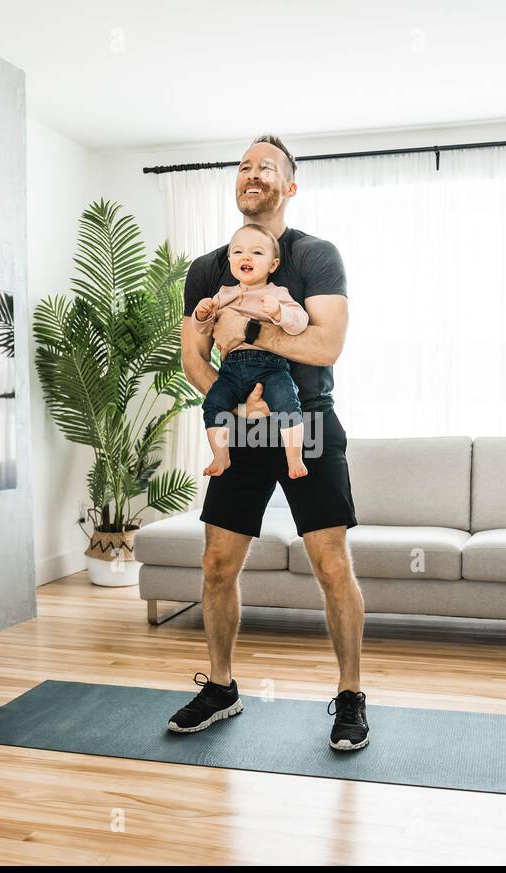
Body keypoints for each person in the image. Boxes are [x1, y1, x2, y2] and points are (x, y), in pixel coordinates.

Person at [168, 134, 370, 750]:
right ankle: (223, 687)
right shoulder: (207, 269)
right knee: (216, 564)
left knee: (331, 565)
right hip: (239, 430)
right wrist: (234, 401)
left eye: (266, 168)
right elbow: (193, 360)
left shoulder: (316, 257)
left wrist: (252, 330)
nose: (251, 175)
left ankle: (350, 695)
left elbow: (324, 346)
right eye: (243, 168)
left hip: (306, 421)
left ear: (289, 186)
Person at [192, 222, 310, 480]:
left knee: (287, 403)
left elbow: (299, 321)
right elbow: (203, 329)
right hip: (231, 369)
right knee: (213, 404)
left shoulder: (278, 293)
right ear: (231, 259)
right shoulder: (223, 295)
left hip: (270, 366)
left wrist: (280, 313)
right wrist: (202, 314)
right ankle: (221, 455)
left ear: (273, 265)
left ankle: (294, 457)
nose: (246, 256)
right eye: (238, 252)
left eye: (257, 252)